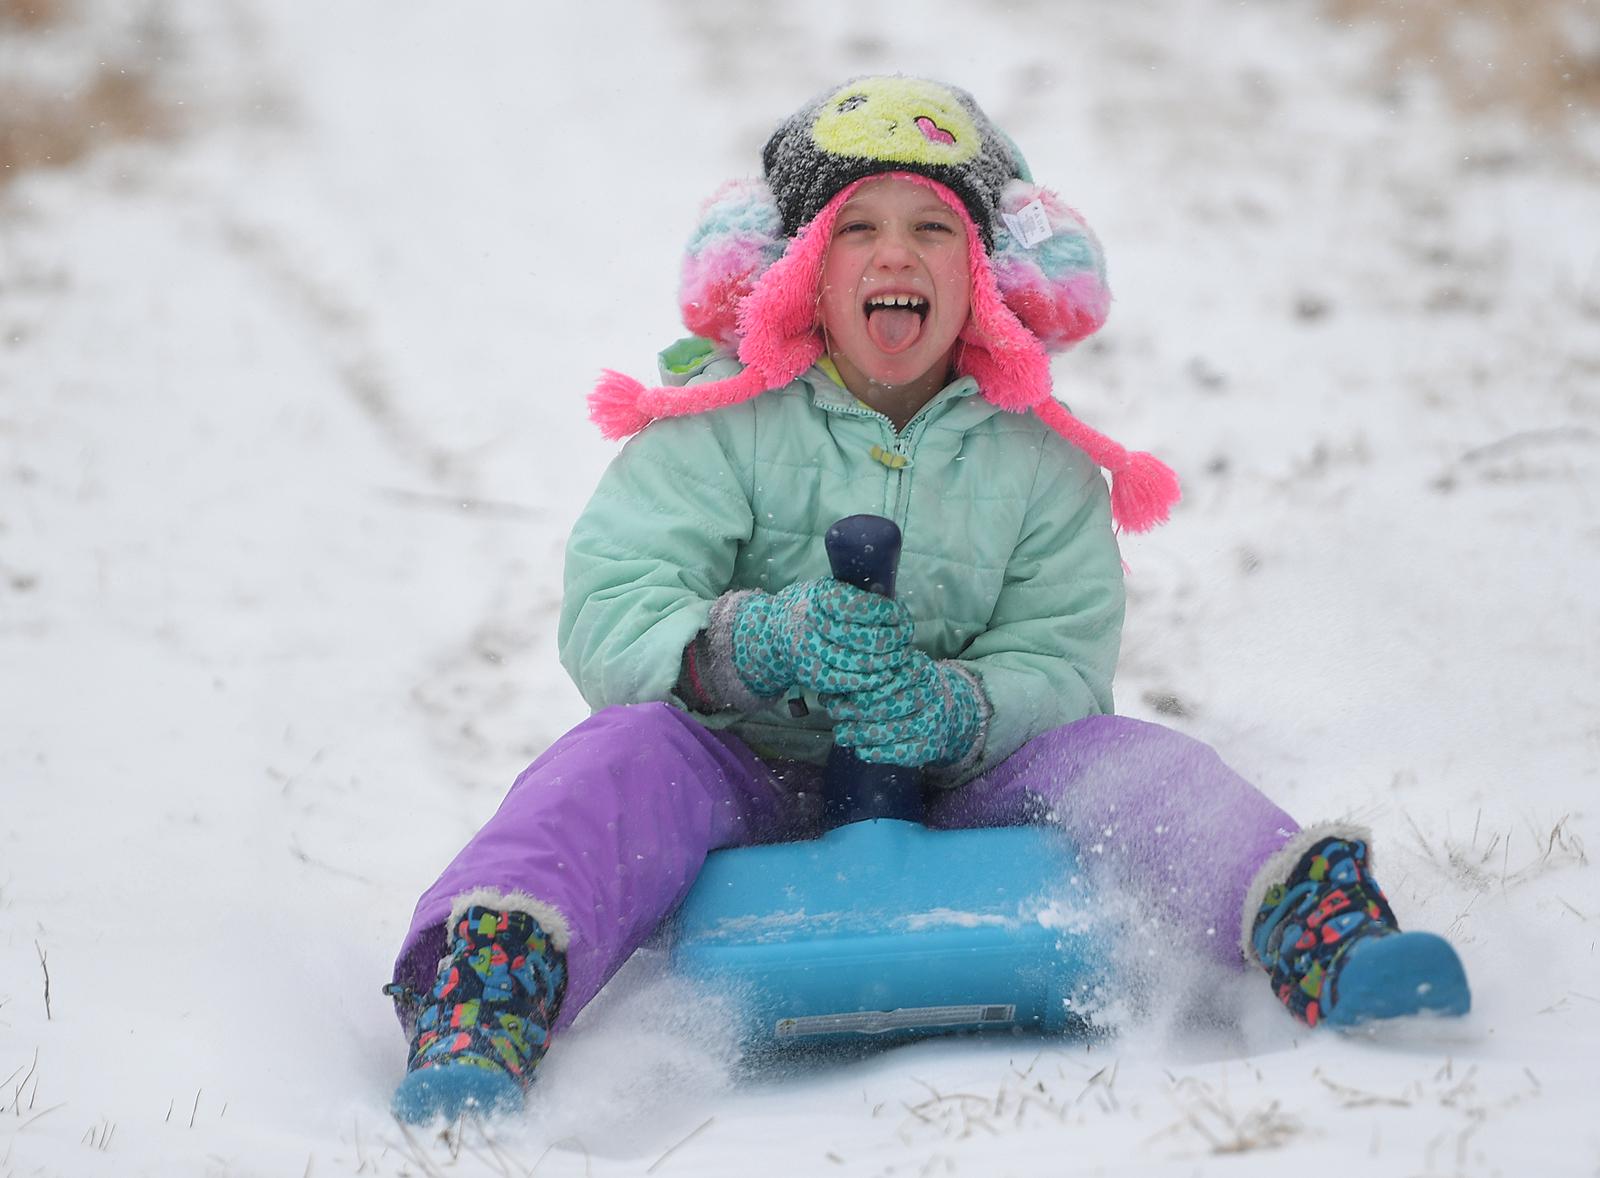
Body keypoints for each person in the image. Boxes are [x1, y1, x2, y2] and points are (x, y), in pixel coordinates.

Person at [385, 75, 1469, 1122]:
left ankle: (1312, 923)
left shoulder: (1039, 463)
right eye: (856, 228)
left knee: (1129, 763)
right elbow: (617, 599)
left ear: (989, 273)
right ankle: (489, 986)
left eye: (934, 228)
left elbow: (1061, 655)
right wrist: (749, 644)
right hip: (741, 772)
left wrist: (962, 709)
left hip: (962, 783)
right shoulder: (717, 424)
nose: (894, 254)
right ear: (799, 270)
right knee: (617, 760)